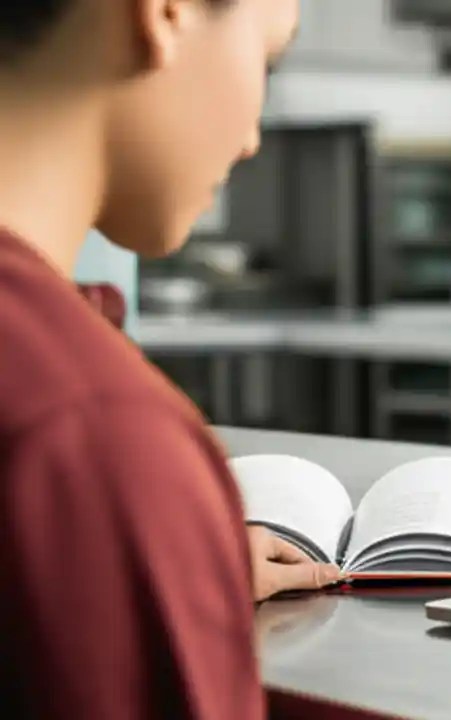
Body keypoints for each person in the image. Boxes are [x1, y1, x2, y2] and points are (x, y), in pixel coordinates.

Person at [0, 0, 352, 717]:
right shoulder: (90, 429)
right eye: (268, 57)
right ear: (165, 12)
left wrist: (147, 568)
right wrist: (142, 533)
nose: (253, 139)